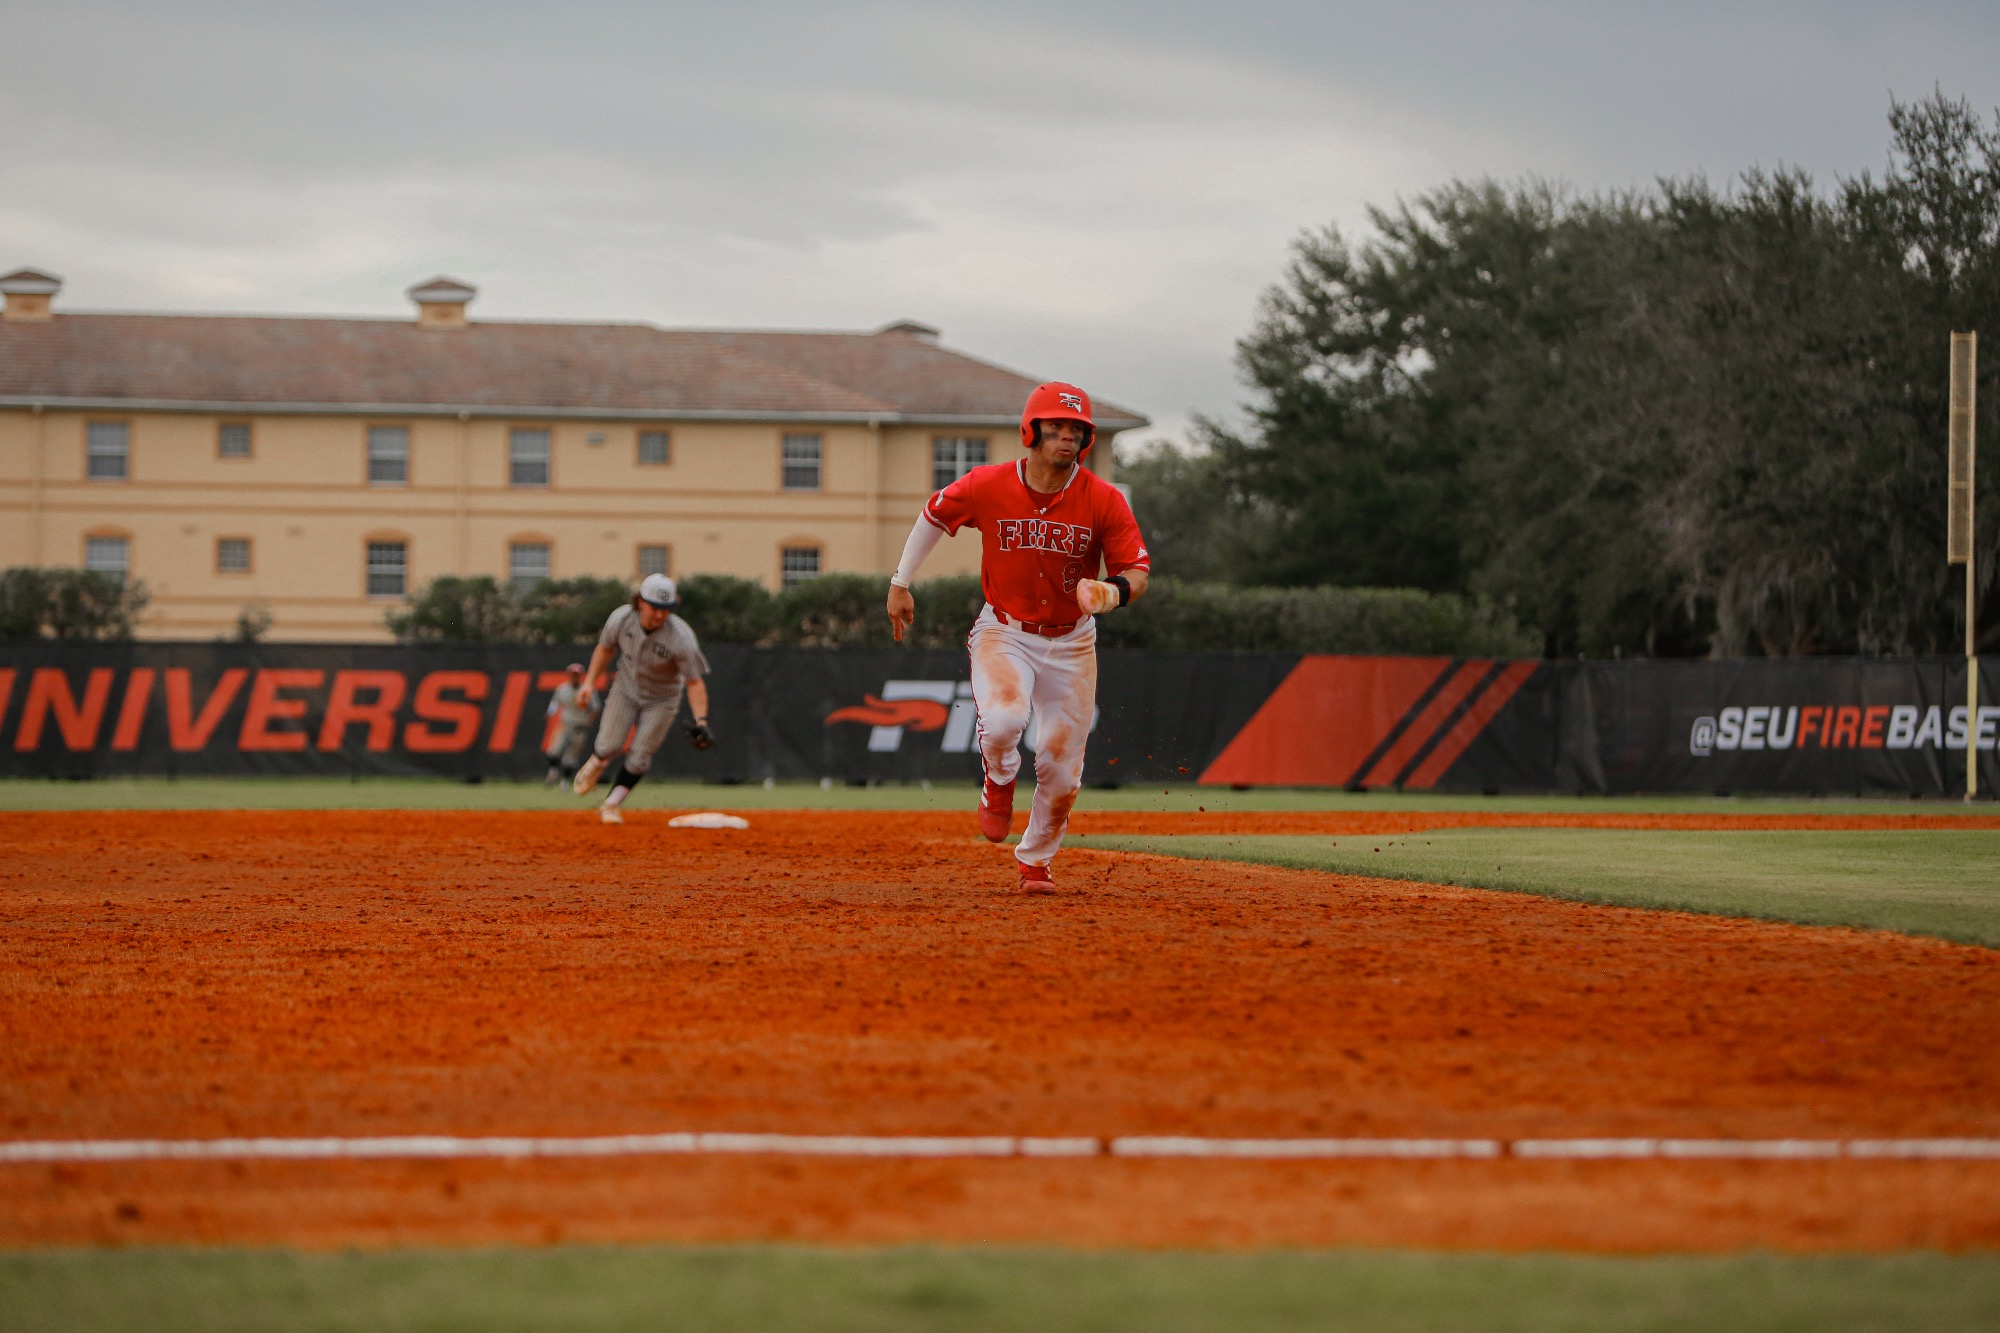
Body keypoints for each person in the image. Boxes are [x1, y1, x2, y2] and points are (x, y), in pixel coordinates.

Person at [884, 382, 1149, 892]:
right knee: (1004, 720)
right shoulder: (988, 484)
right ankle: (1000, 778)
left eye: (1076, 429)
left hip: (1073, 642)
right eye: (1056, 426)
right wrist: (900, 582)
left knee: (1061, 769)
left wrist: (1113, 592)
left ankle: (1036, 861)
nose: (1067, 436)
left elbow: (1137, 571)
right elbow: (933, 515)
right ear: (1032, 430)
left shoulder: (1103, 499)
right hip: (1005, 631)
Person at [572, 573, 714, 823]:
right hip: (626, 689)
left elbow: (694, 682)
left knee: (640, 755)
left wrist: (701, 720)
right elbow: (605, 648)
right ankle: (598, 761)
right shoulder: (621, 619)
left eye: (666, 609)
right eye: (654, 607)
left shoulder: (681, 637)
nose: (659, 614)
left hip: (663, 697)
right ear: (640, 602)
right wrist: (589, 683)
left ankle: (611, 805)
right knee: (608, 746)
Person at [543, 662, 600, 786]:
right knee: (554, 750)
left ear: (581, 675)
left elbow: (595, 709)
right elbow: (554, 704)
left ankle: (565, 781)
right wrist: (550, 712)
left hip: (579, 726)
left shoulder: (587, 689)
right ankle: (553, 772)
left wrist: (589, 719)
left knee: (571, 756)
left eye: (577, 674)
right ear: (569, 675)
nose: (575, 677)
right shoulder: (562, 689)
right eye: (573, 674)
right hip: (565, 724)